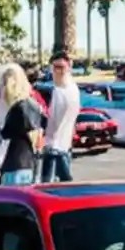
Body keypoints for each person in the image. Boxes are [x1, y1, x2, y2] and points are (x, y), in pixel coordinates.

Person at [0, 64, 45, 186]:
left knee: (9, 201)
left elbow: (4, 136)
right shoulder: (34, 105)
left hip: (12, 163)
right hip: (28, 163)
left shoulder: (16, 109)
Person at [40, 51, 80, 183]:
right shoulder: (56, 89)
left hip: (60, 145)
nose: (58, 71)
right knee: (56, 182)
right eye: (55, 68)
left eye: (61, 67)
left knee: (59, 182)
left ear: (68, 67)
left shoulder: (68, 90)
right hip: (53, 145)